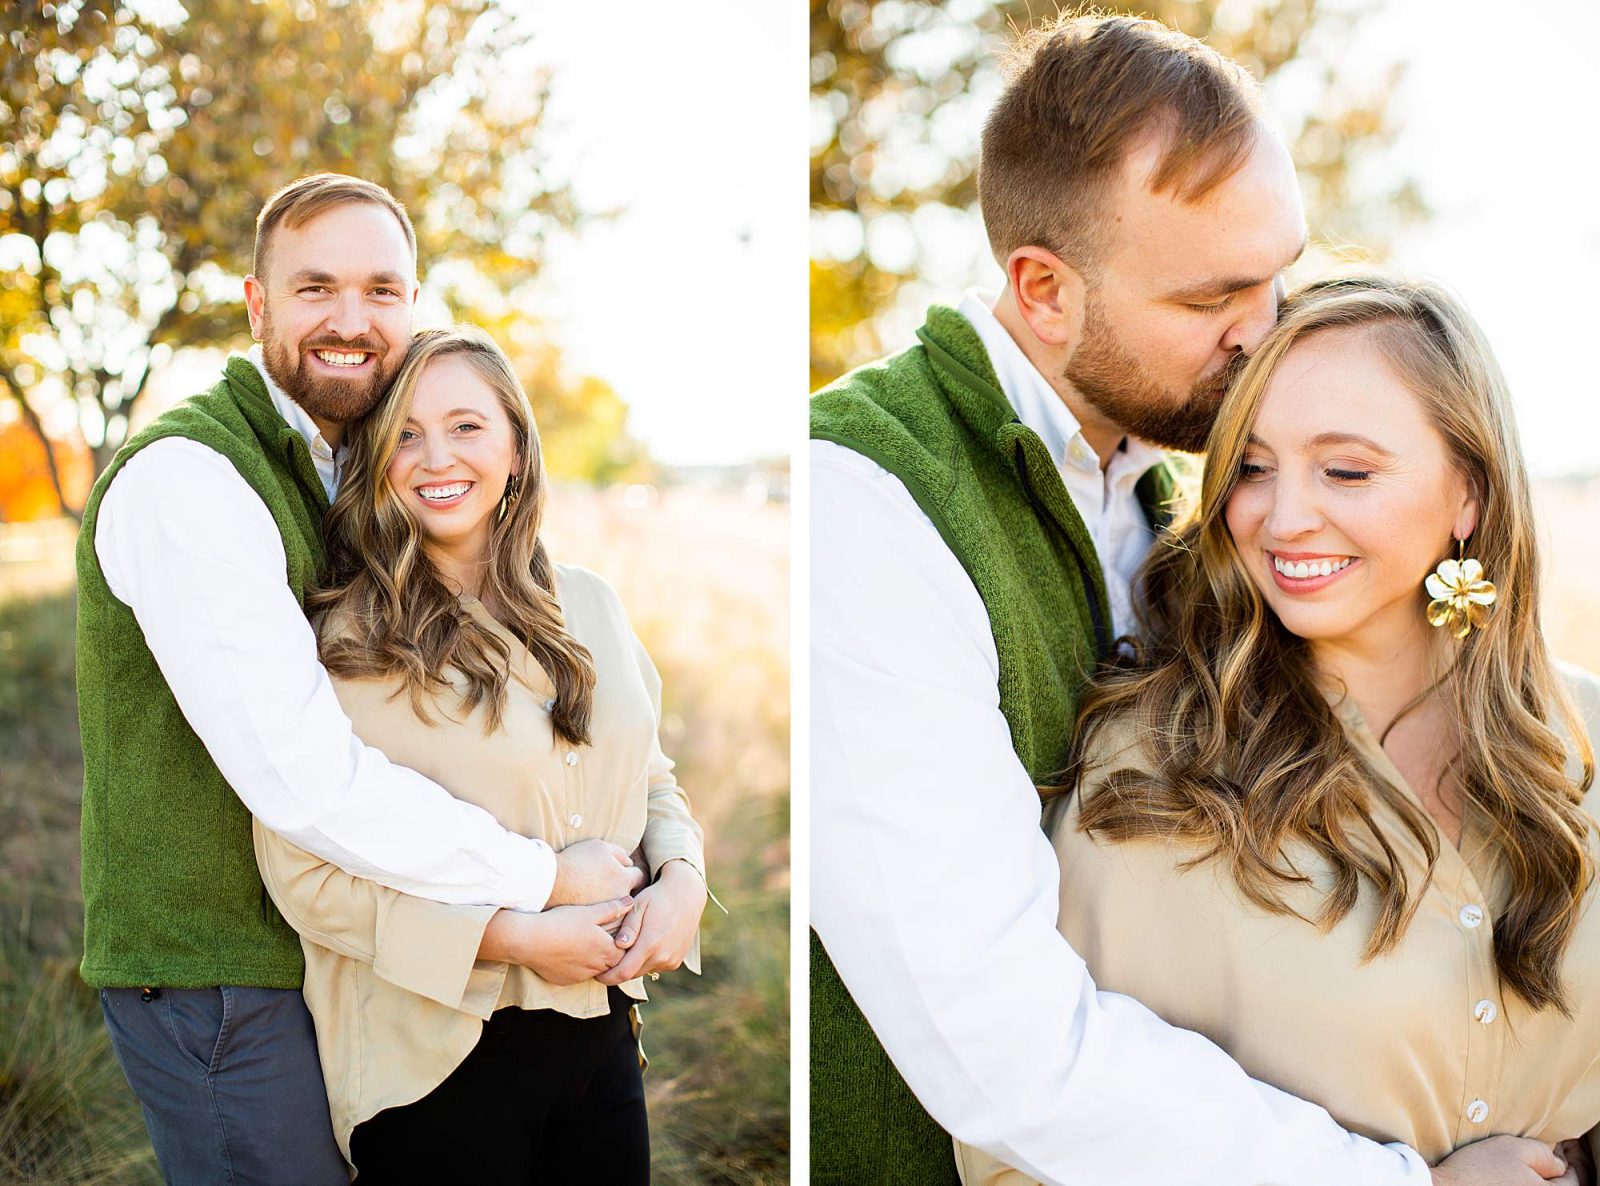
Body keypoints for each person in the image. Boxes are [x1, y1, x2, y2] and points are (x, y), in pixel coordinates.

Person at [810, 14, 1559, 1186]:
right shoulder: (860, 507)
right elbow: (1005, 1053)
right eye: (1215, 295)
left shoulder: (1176, 493)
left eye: (1280, 273)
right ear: (1044, 291)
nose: (1264, 331)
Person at [958, 277, 1600, 1184]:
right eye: (1252, 468)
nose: (1283, 516)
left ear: (1471, 495)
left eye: (1346, 470)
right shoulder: (1153, 780)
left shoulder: (1584, 732)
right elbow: (1027, 1153)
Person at [78, 174, 641, 1185]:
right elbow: (304, 776)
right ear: (257, 305)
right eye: (315, 288)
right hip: (219, 975)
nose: (351, 320)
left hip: (345, 967)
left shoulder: (347, 472)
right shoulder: (192, 480)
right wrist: (543, 883)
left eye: (383, 289)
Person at [250, 325, 707, 1182]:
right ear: (377, 461)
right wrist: (515, 939)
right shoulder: (348, 645)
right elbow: (303, 880)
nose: (435, 458)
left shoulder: (592, 605)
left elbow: (649, 777)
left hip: (601, 1035)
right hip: (431, 1062)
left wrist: (684, 880)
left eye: (466, 426)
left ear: (515, 448)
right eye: (406, 435)